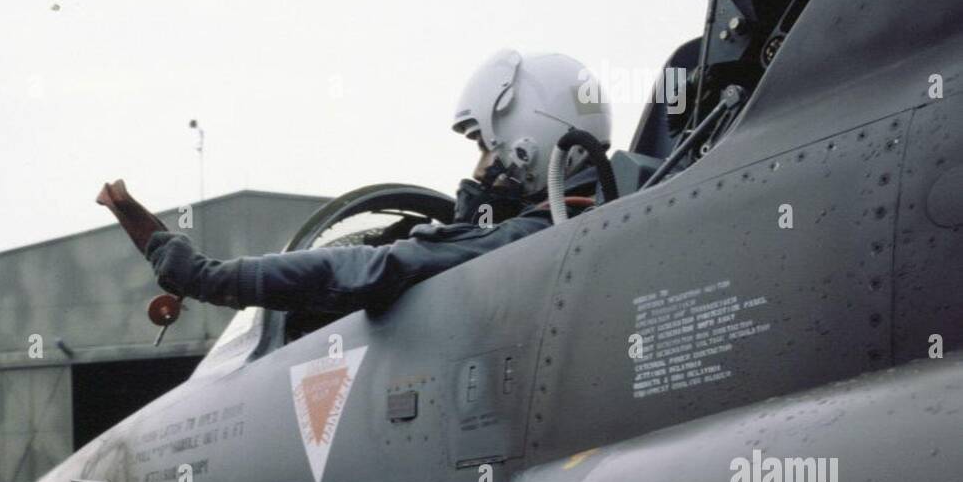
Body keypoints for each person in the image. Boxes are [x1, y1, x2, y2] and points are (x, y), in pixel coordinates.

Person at [99, 49, 611, 316]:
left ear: (528, 143)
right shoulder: (588, 220)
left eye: (485, 147)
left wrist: (211, 278)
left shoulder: (542, 234)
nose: (480, 168)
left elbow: (379, 268)